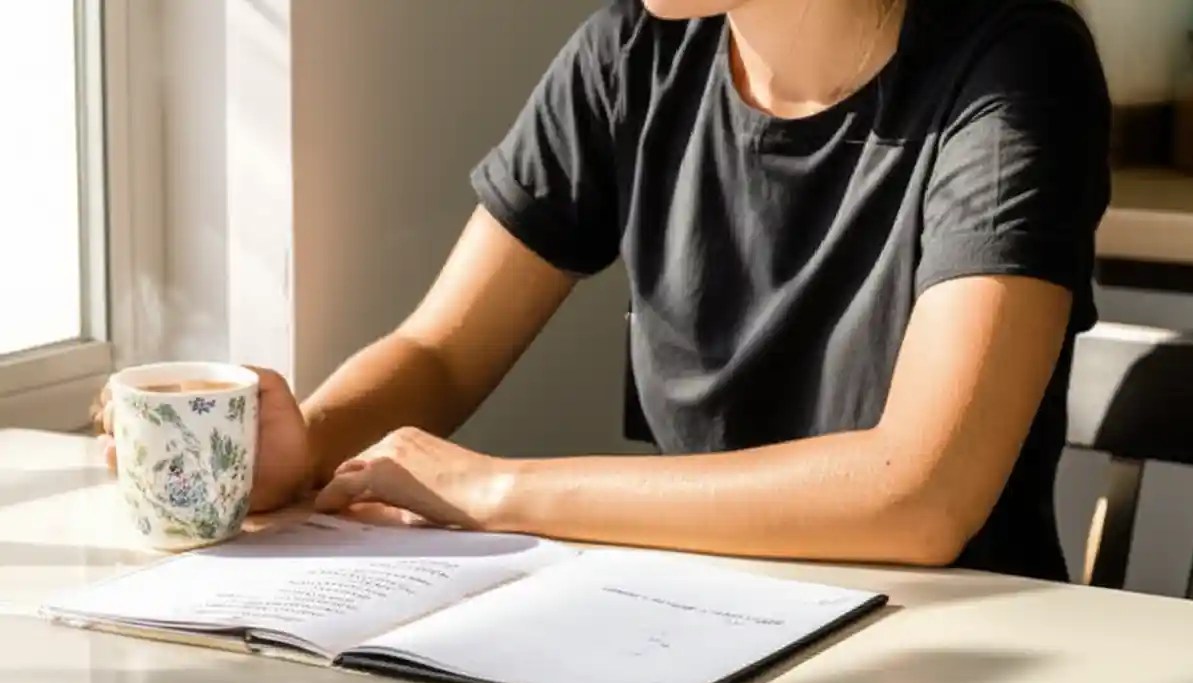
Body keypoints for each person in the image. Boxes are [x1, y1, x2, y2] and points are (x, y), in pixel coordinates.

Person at [97, 0, 1110, 581]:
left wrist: (496, 491)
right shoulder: (631, 52)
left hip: (952, 655)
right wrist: (304, 446)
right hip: (688, 623)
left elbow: (918, 496)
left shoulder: (1014, 71)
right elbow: (444, 351)